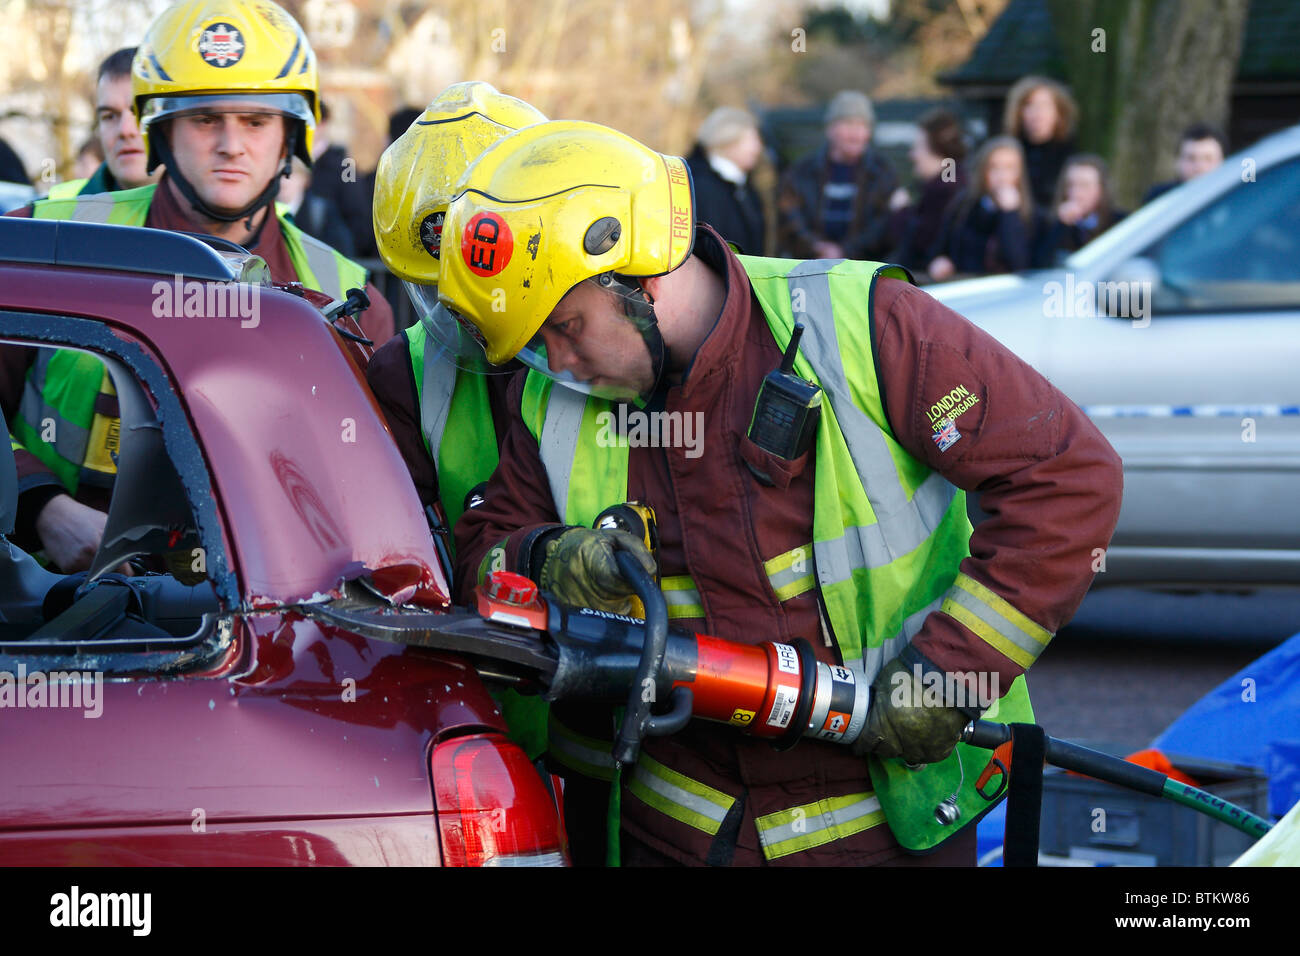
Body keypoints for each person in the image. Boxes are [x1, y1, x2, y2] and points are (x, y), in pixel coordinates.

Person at [434, 119, 1124, 866]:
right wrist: (553, 558)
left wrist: (951, 676)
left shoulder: (860, 325)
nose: (558, 362)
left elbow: (1068, 478)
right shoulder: (556, 398)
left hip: (883, 830)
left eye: (567, 326)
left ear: (641, 276)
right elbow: (483, 549)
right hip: (678, 837)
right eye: (537, 343)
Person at [2, 0, 392, 574]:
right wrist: (40, 504)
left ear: (290, 138)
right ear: (162, 132)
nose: (231, 144)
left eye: (256, 121)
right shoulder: (46, 235)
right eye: (206, 119)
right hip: (49, 603)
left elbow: (374, 488)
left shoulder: (347, 295)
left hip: (258, 618)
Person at [367, 81, 550, 764]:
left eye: (485, 278)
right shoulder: (402, 374)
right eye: (439, 293)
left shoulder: (621, 347)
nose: (466, 310)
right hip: (486, 733)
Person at [777, 90, 898, 261]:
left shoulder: (883, 172)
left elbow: (886, 223)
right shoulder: (802, 171)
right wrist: (816, 247)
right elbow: (789, 214)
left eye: (863, 125)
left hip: (863, 272)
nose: (856, 134)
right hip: (811, 269)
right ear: (830, 129)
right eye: (848, 124)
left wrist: (845, 251)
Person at [47, 47, 163, 200]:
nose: (125, 130)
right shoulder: (46, 217)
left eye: (141, 112)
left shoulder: (204, 215)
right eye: (109, 116)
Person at [928, 135, 1044, 280]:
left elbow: (1019, 264)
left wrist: (1010, 214)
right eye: (994, 167)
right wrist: (939, 260)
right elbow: (941, 246)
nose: (1001, 176)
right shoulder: (965, 205)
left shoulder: (1031, 215)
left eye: (1009, 168)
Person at [887, 108, 966, 276]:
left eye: (918, 147)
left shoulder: (945, 191)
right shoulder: (948, 183)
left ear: (939, 150)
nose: (912, 155)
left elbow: (918, 244)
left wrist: (900, 212)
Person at [684, 107, 767, 255]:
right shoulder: (701, 186)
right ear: (728, 140)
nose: (758, 147)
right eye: (751, 139)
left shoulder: (743, 187)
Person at [1003, 75, 1077, 209]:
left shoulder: (1074, 155)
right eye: (1030, 105)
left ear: (1059, 113)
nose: (1038, 113)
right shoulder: (1006, 154)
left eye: (1045, 105)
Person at [1038, 154, 1126, 263]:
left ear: (1101, 189)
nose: (1075, 193)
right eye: (1070, 185)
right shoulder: (1048, 223)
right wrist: (1061, 226)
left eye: (1084, 185)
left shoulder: (1121, 224)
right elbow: (1040, 265)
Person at [1141, 123, 1228, 205]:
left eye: (1208, 159)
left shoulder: (1233, 199)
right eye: (1191, 158)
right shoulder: (1159, 199)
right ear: (1177, 162)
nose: (1199, 167)